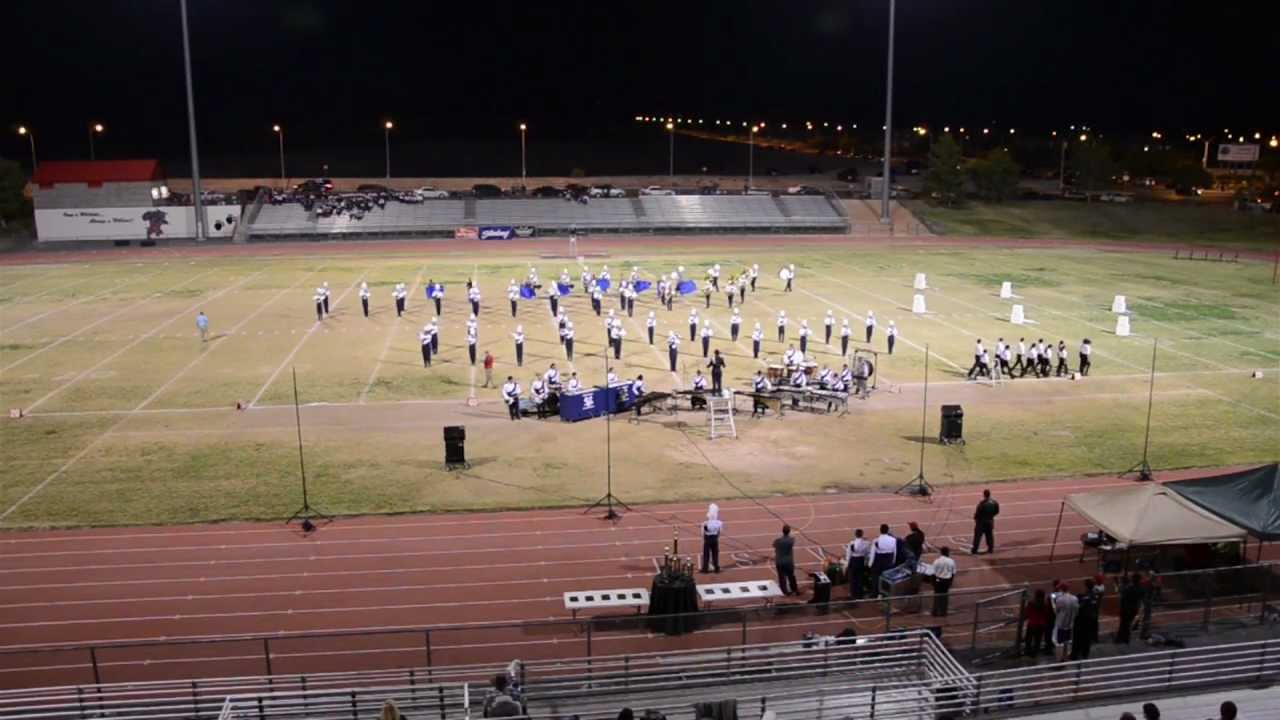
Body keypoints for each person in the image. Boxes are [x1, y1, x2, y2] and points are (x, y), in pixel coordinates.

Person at [1071, 578, 1100, 660]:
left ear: (1086, 586)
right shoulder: (1095, 594)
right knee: (1087, 637)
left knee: (1079, 637)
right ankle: (1084, 653)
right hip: (1091, 618)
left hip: (1084, 620)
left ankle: (1075, 654)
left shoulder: (1087, 596)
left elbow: (1080, 607)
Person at [1052, 582, 1079, 662]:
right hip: (1070, 623)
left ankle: (1059, 659)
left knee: (1059, 642)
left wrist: (1053, 603)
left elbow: (1056, 611)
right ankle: (1065, 656)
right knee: (1067, 641)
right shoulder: (1074, 598)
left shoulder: (1060, 599)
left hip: (1061, 623)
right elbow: (1077, 611)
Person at [1023, 589, 1053, 657]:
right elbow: (1047, 613)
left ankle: (1028, 651)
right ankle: (1035, 653)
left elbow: (1027, 613)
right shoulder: (1045, 604)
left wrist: (1024, 617)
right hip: (1041, 625)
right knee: (1037, 640)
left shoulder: (1031, 603)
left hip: (1032, 624)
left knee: (1029, 639)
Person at [869, 524, 898, 594]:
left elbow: (872, 554)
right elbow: (895, 552)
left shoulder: (876, 540)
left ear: (880, 530)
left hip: (879, 561)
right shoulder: (893, 540)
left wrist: (870, 564)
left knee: (876, 578)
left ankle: (875, 593)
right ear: (888, 531)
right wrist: (893, 562)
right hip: (888, 561)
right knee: (887, 579)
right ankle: (885, 594)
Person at [971, 489, 999, 554]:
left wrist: (975, 518)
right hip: (990, 521)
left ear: (984, 495)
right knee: (989, 536)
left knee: (977, 536)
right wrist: (991, 516)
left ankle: (974, 550)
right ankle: (990, 549)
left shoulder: (982, 503)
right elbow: (997, 511)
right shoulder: (994, 502)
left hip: (981, 523)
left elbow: (978, 513)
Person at [773, 524, 798, 596]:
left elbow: (774, 545)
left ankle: (784, 591)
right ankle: (794, 590)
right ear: (789, 531)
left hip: (780, 561)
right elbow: (792, 541)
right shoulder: (791, 540)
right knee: (791, 576)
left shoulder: (778, 541)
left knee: (781, 577)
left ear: (782, 531)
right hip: (788, 561)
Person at [931, 547, 956, 617]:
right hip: (946, 581)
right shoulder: (951, 561)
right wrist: (951, 582)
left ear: (941, 552)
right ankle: (943, 612)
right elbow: (953, 573)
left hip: (938, 580)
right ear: (947, 552)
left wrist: (933, 582)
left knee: (937, 596)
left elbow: (933, 573)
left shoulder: (936, 561)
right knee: (945, 597)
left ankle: (935, 612)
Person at [846, 528, 870, 599]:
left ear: (855, 535)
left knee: (853, 578)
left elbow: (848, 555)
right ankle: (860, 594)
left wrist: (848, 563)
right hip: (861, 561)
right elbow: (867, 553)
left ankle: (853, 593)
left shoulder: (851, 543)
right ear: (862, 534)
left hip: (853, 561)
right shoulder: (866, 543)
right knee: (860, 577)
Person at [701, 503, 722, 573]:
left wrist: (705, 538)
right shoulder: (719, 523)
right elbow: (720, 532)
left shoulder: (705, 523)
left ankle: (705, 569)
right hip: (715, 539)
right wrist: (716, 537)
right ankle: (716, 568)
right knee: (715, 554)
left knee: (706, 554)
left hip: (707, 539)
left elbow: (703, 532)